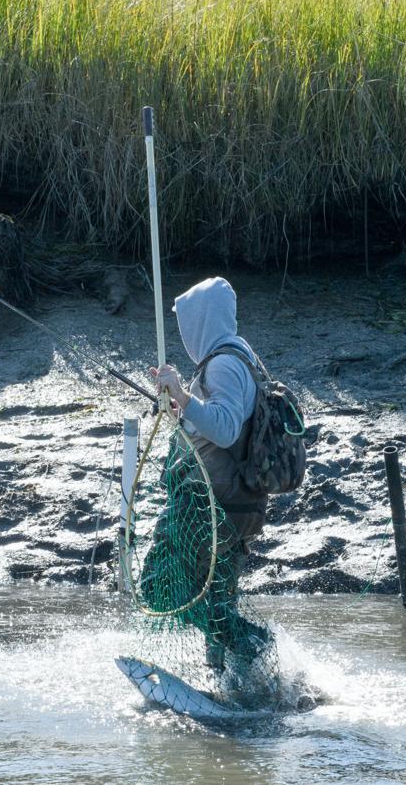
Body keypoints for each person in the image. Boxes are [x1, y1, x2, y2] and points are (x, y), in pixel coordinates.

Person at [147, 276, 269, 673]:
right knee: (218, 600)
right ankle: (242, 690)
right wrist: (182, 412)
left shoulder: (225, 365)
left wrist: (182, 396)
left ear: (200, 322)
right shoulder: (241, 357)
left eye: (187, 324)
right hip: (234, 505)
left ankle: (254, 643)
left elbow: (227, 427)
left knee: (158, 587)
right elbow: (217, 423)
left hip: (210, 506)